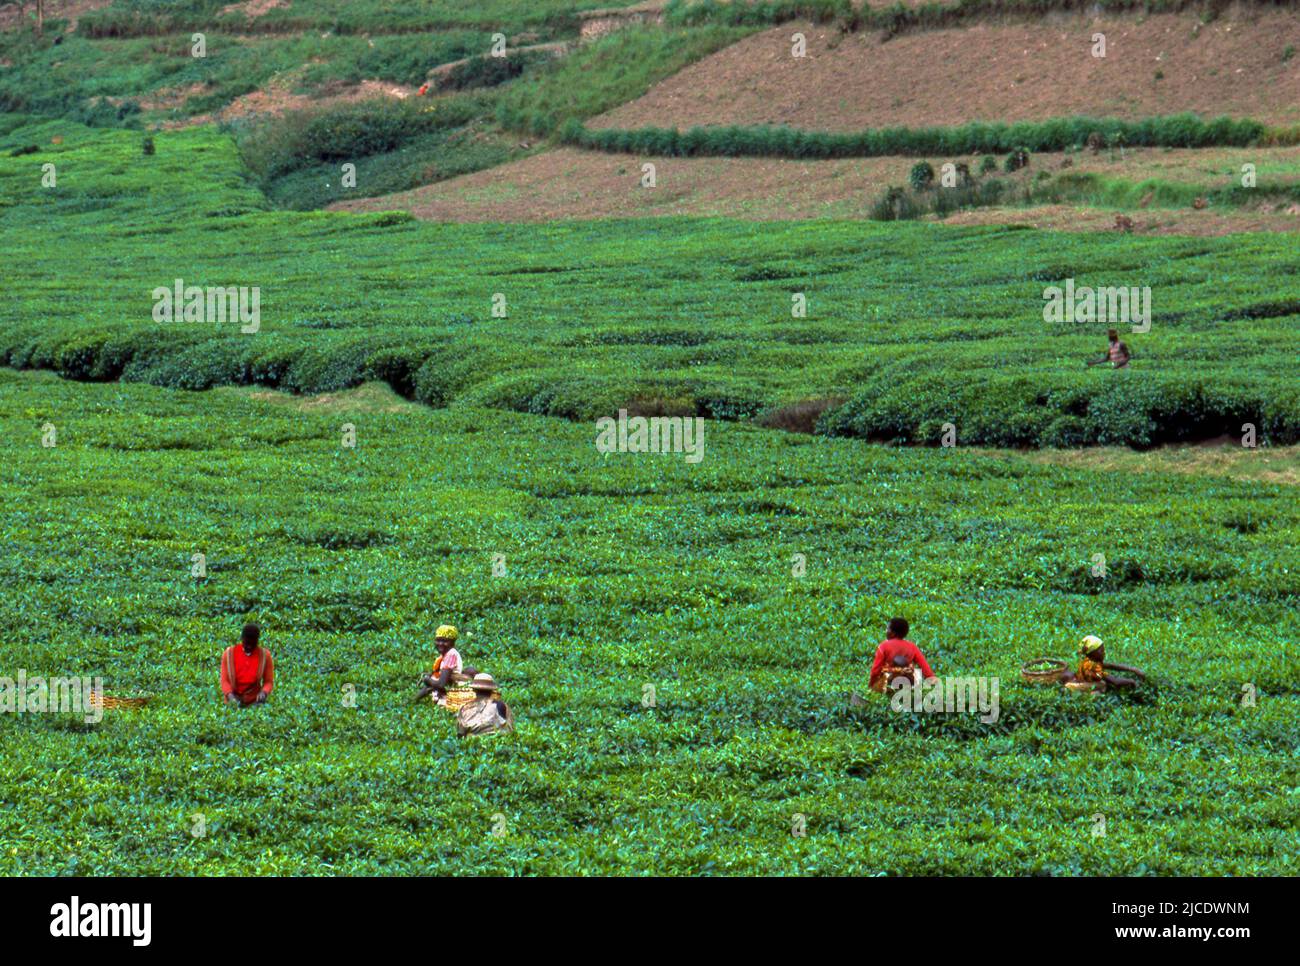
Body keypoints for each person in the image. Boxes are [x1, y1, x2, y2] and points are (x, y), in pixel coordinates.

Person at [868, 617, 936, 693]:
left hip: (889, 681)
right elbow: (924, 665)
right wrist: (932, 679)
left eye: (887, 629)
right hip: (908, 681)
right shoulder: (912, 646)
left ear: (892, 633)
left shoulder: (883, 646)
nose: (886, 631)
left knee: (882, 677)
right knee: (916, 671)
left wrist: (871, 684)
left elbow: (875, 670)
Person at [1061, 635, 1143, 690]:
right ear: (1092, 653)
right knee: (1102, 684)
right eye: (1101, 650)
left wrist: (1133, 669)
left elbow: (1111, 666)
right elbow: (1115, 681)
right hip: (1081, 685)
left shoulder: (1090, 660)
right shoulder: (1093, 667)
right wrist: (1131, 681)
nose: (1104, 653)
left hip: (1080, 680)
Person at [220, 623, 274, 707]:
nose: (249, 647)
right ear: (242, 639)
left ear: (257, 641)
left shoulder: (265, 655)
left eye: (253, 644)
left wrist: (264, 692)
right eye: (247, 643)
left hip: (255, 702)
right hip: (233, 701)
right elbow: (224, 681)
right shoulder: (229, 654)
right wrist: (230, 696)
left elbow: (268, 682)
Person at [414, 625, 463, 704]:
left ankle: (413, 701)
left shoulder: (451, 655)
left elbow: (441, 684)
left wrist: (427, 680)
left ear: (452, 643)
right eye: (438, 640)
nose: (440, 643)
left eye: (445, 641)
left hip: (453, 690)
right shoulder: (444, 655)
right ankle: (413, 701)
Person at [456, 673, 513, 738]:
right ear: (492, 691)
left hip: (473, 743)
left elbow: (460, 734)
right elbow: (509, 729)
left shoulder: (464, 708)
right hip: (496, 742)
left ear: (474, 690)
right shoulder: (501, 705)